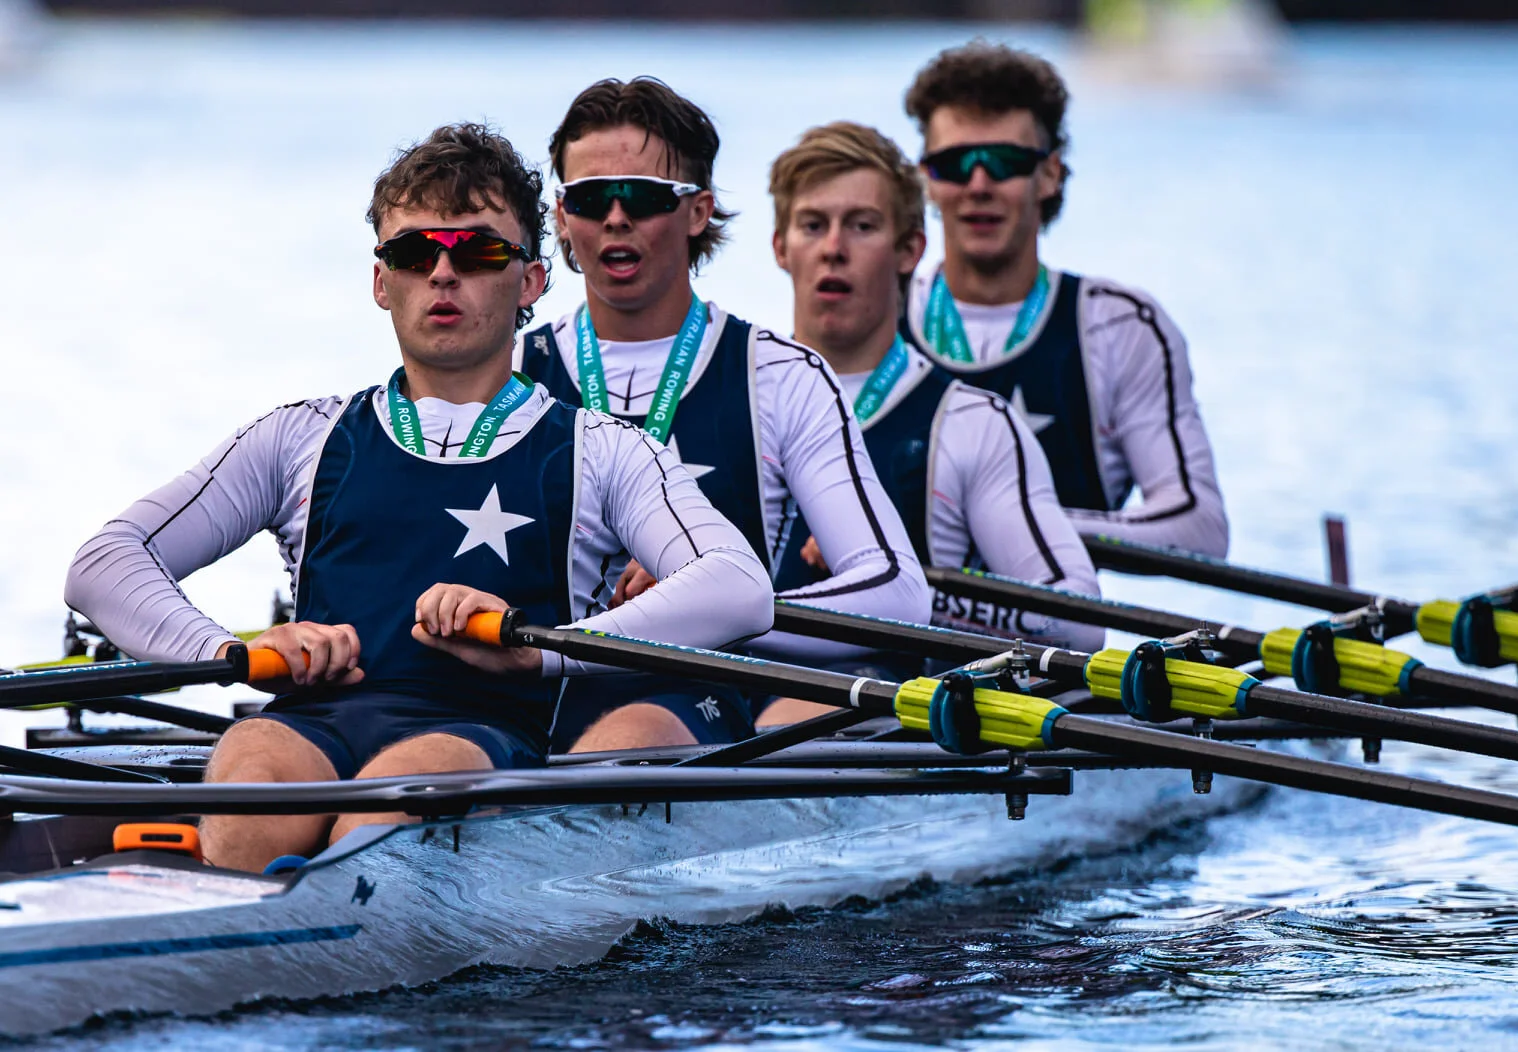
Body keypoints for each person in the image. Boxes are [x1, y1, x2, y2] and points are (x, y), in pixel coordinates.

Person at [63, 124, 773, 872]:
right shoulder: (299, 438)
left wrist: (542, 654)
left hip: (485, 734)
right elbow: (104, 564)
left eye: (478, 252)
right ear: (382, 282)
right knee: (250, 777)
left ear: (531, 282)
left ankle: (304, 905)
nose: (442, 273)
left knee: (387, 811)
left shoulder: (603, 450)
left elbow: (738, 586)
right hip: (309, 721)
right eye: (413, 252)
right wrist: (234, 653)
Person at [517, 77, 930, 742]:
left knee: (635, 734)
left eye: (644, 197)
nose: (616, 218)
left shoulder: (780, 376)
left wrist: (708, 607)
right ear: (562, 216)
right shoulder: (510, 370)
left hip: (698, 697)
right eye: (591, 198)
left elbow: (896, 593)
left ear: (698, 211)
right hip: (527, 691)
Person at [764, 122, 1104, 726]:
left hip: (878, 708)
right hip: (714, 695)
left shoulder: (972, 424)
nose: (834, 248)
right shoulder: (727, 396)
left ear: (909, 250)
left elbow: (1076, 623)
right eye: (813, 225)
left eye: (862, 226)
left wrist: (902, 584)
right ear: (781, 248)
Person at [900, 42, 1229, 558]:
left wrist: (1017, 525)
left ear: (1050, 174)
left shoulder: (1119, 328)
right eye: (954, 164)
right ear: (927, 180)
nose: (979, 184)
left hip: (1057, 609)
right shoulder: (877, 315)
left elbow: (1199, 528)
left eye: (1005, 163)